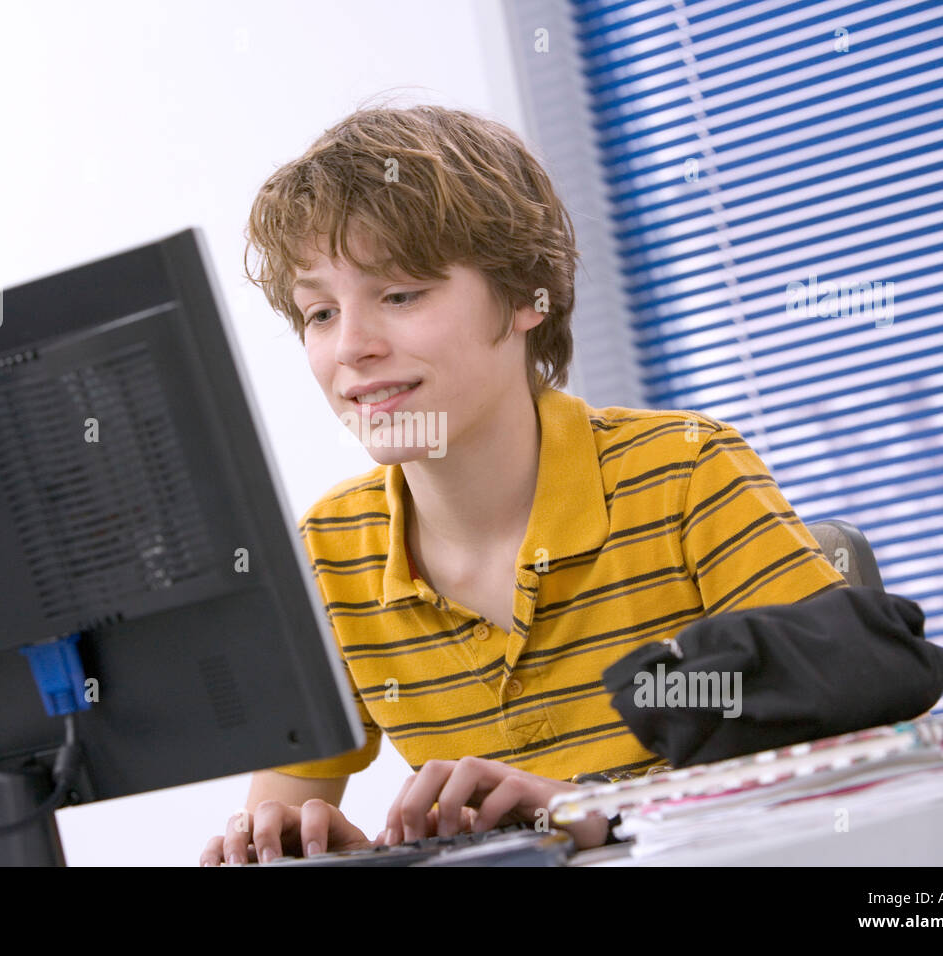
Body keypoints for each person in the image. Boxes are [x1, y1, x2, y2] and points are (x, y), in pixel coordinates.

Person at [199, 102, 847, 865]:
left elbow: (850, 762)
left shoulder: (684, 475)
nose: (351, 347)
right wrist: (323, 852)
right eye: (319, 312)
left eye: (400, 295)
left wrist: (601, 815)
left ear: (522, 300)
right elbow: (277, 823)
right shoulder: (330, 553)